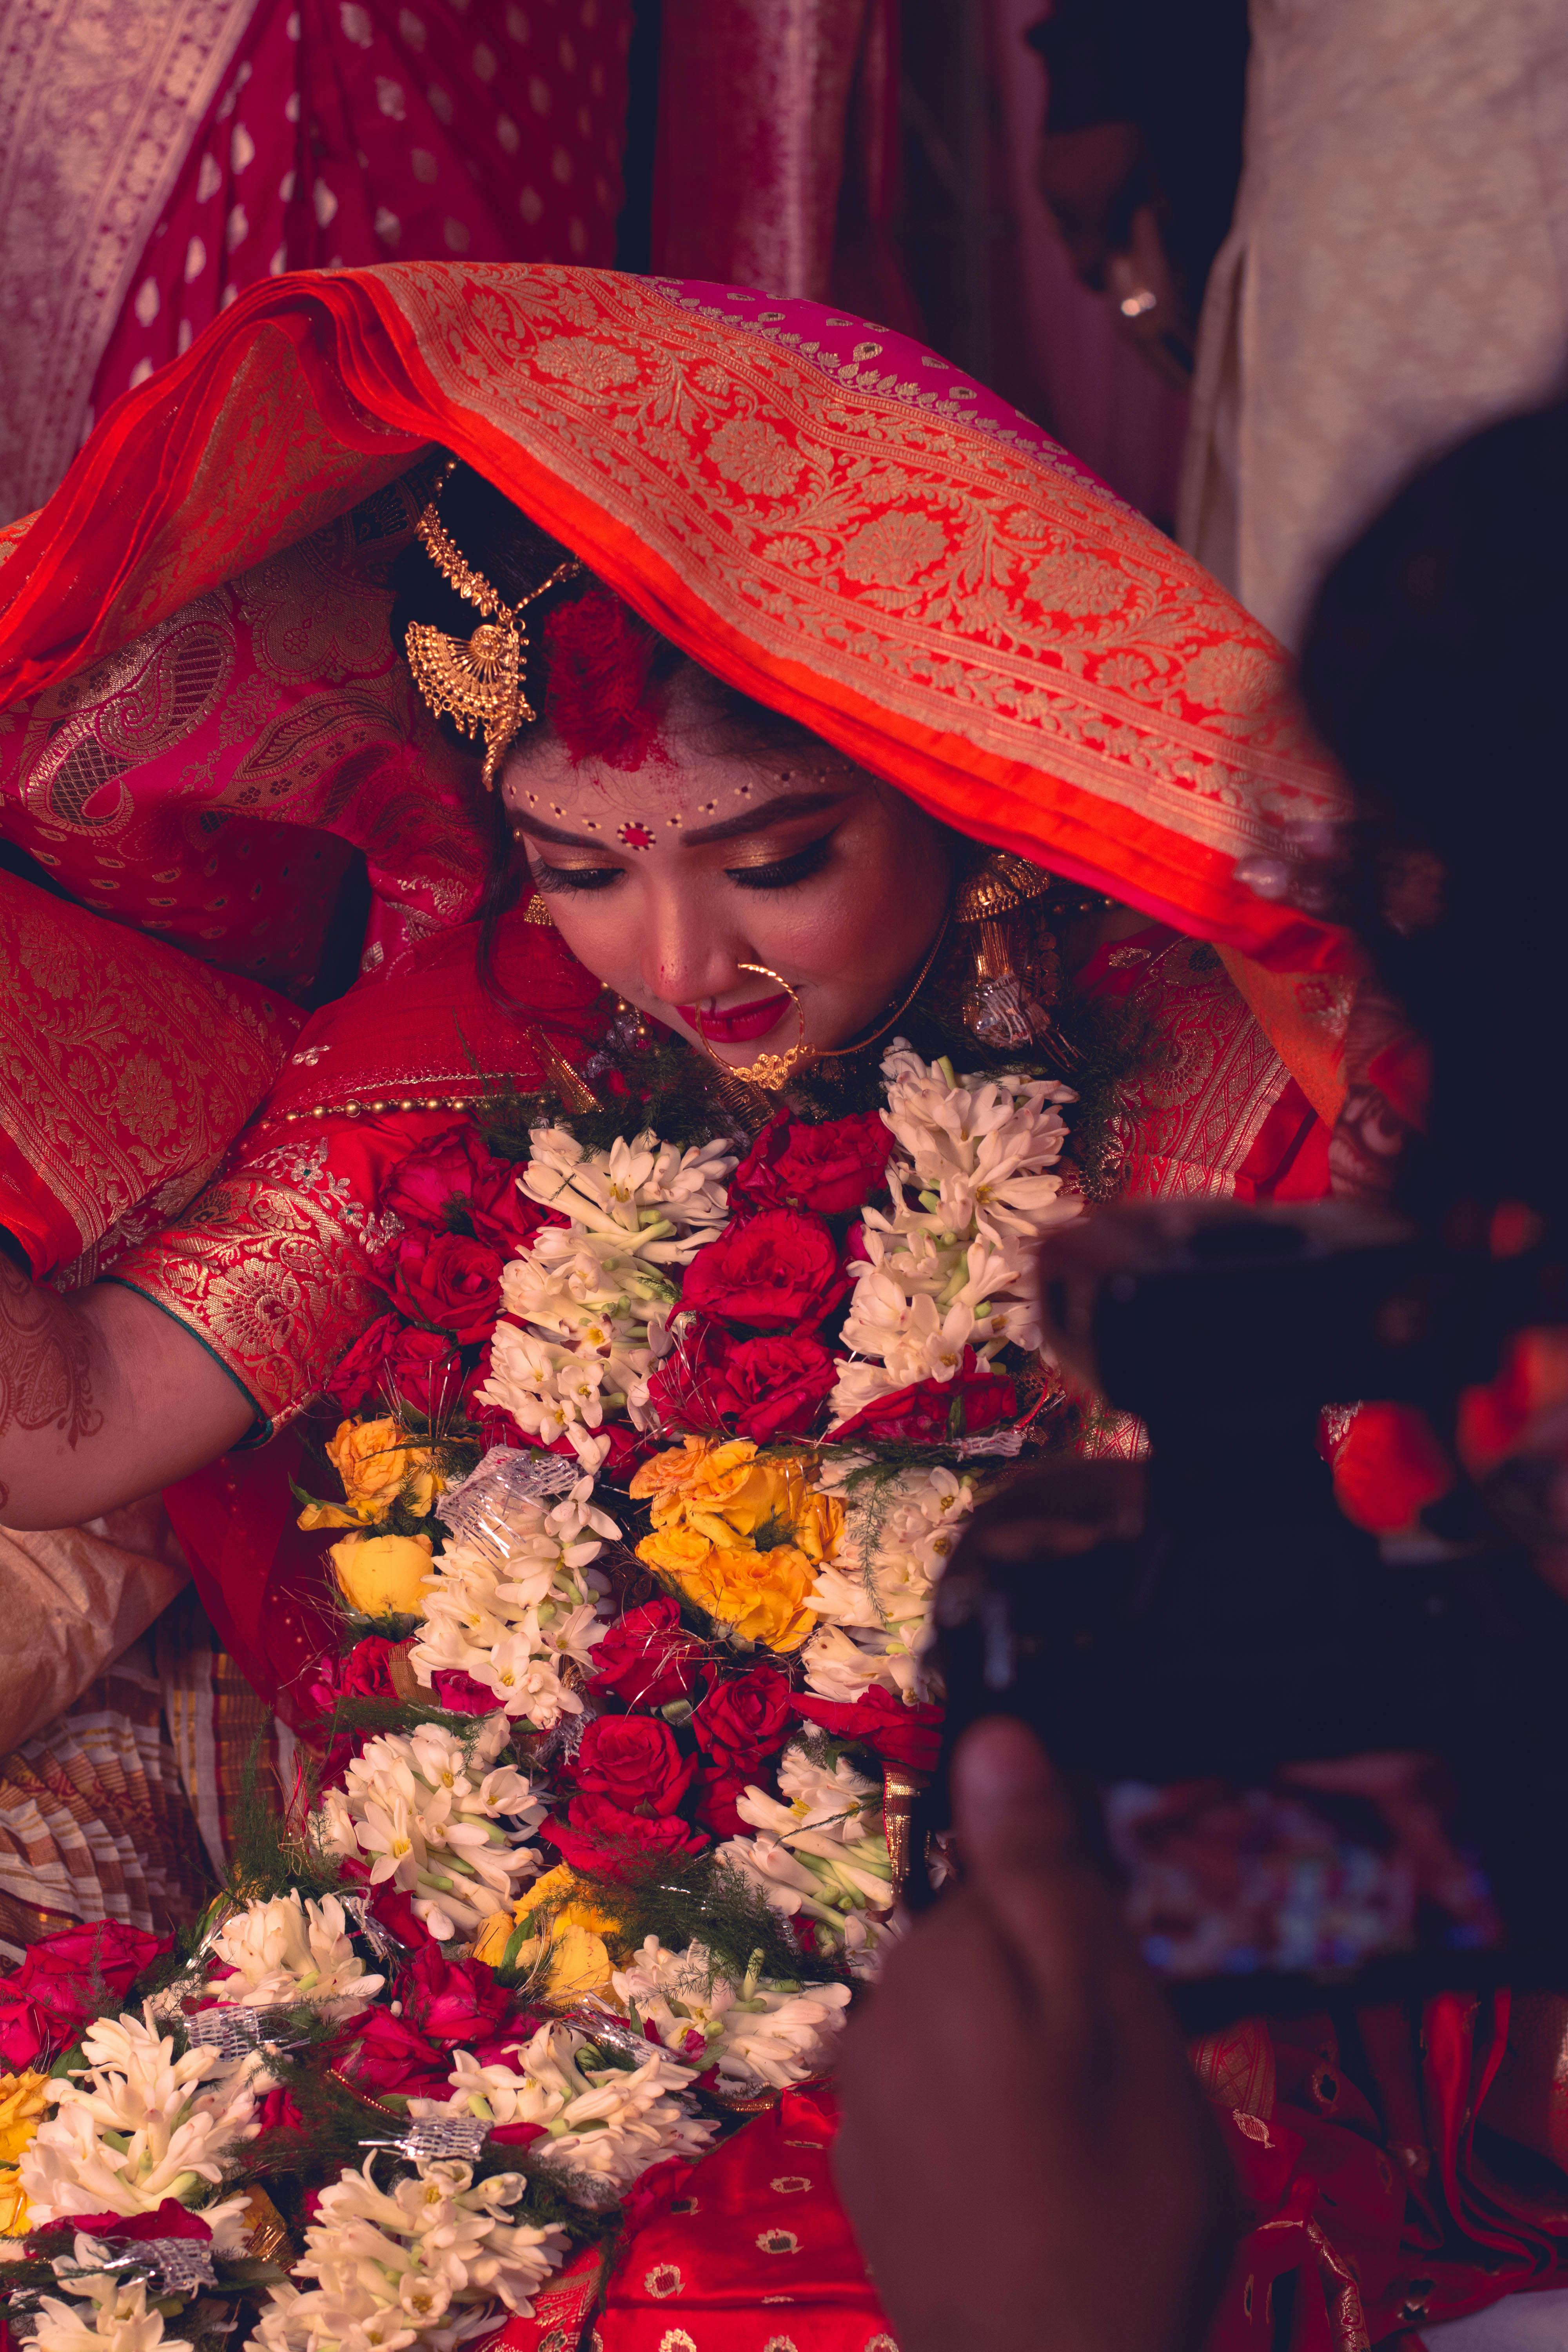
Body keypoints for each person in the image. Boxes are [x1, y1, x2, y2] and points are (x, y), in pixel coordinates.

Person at [0, 260, 1410, 2339]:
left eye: (775, 857)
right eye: (581, 866)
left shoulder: (1193, 1082)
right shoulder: (458, 1055)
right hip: (472, 1930)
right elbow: (81, 1424)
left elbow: (1302, 1622)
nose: (683, 957)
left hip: (975, 1969)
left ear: (943, 769)